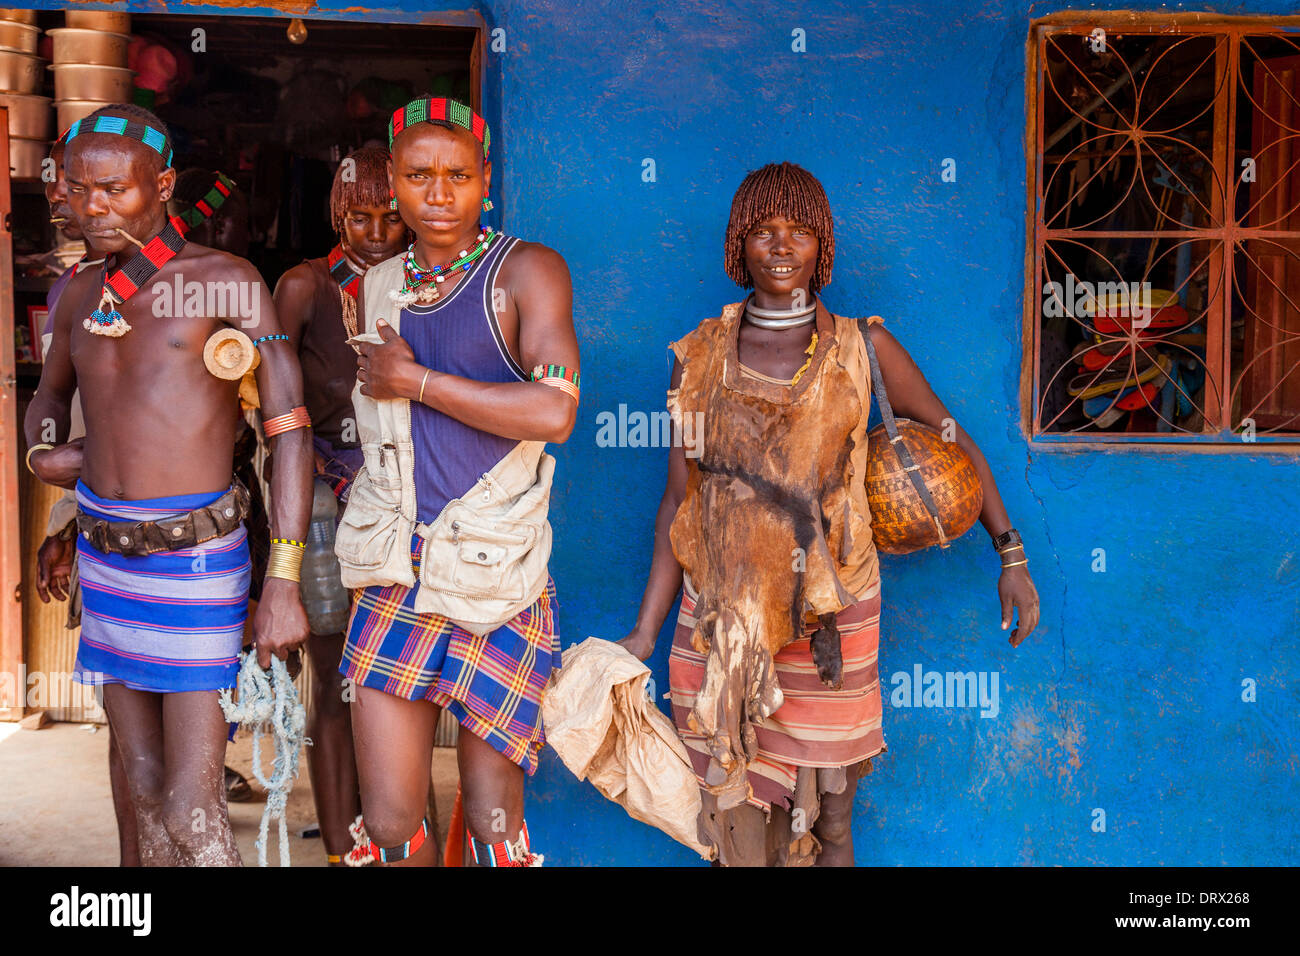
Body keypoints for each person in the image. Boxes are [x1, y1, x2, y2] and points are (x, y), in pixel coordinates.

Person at [619, 162, 1040, 867]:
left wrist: (1011, 554)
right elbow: (677, 501)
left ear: (824, 246)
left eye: (800, 232)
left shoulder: (862, 348)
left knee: (832, 824)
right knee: (733, 827)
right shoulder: (696, 357)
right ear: (737, 246)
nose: (781, 247)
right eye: (763, 232)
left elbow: (951, 439)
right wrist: (644, 630)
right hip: (720, 617)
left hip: (833, 620)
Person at [24, 104, 313, 866]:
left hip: (198, 565)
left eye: (114, 190)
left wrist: (283, 579)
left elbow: (291, 429)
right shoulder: (81, 292)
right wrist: (43, 455)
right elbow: (50, 398)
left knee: (192, 809)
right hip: (108, 561)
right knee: (143, 785)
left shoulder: (227, 283)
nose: (93, 208)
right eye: (78, 191)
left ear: (164, 186)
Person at [335, 97, 579, 866]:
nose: (438, 193)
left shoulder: (529, 271)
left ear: (486, 180)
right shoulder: (375, 286)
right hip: (393, 569)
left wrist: (419, 381)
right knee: (387, 820)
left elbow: (555, 407)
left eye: (456, 175)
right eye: (417, 175)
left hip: (496, 569)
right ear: (394, 182)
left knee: (492, 817)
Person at [272, 146, 408, 865]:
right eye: (361, 218)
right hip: (324, 497)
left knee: (394, 675)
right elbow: (273, 406)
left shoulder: (425, 286)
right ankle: (337, 847)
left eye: (392, 217)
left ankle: (390, 833)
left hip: (405, 498)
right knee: (333, 677)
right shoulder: (305, 287)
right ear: (336, 214)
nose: (379, 232)